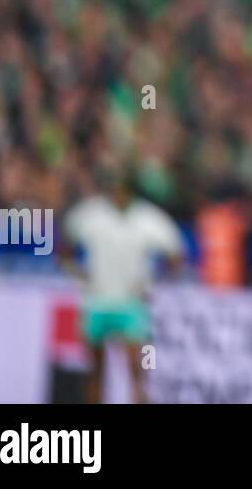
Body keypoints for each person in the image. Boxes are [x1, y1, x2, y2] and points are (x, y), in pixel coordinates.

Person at [62, 173, 186, 404]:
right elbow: (64, 246)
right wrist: (77, 274)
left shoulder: (148, 218)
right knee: (95, 371)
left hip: (133, 305)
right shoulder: (90, 215)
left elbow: (176, 255)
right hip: (96, 303)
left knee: (141, 367)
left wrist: (155, 282)